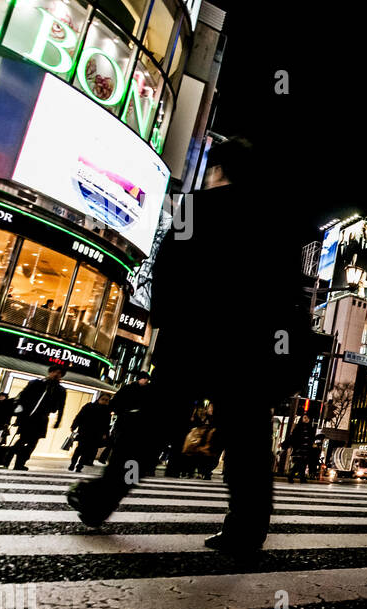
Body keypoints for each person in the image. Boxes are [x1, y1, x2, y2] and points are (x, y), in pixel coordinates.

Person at [68, 138, 314, 553]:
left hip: (192, 339)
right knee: (247, 437)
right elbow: (290, 291)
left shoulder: (199, 208)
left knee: (152, 427)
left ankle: (102, 498)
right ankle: (246, 527)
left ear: (217, 170)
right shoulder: (278, 221)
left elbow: (169, 270)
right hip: (250, 346)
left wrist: (165, 321)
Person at [11, 365, 67, 470]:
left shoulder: (60, 390)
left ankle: (20, 462)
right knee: (23, 440)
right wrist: (18, 411)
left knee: (33, 442)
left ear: (61, 376)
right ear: (50, 372)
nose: (56, 374)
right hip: (28, 416)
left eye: (59, 373)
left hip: (42, 418)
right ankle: (11, 455)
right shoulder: (36, 383)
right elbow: (22, 396)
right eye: (54, 372)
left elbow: (61, 406)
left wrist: (58, 420)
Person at [68, 392, 112, 472]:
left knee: (86, 451)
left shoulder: (107, 411)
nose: (104, 401)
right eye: (103, 399)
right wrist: (74, 425)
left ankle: (79, 466)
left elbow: (106, 424)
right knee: (80, 449)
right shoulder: (89, 406)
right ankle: (73, 464)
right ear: (99, 399)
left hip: (96, 434)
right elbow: (80, 416)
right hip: (85, 431)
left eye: (107, 400)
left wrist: (105, 434)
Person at [281, 416, 315, 482]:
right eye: (304, 418)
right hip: (299, 449)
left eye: (307, 418)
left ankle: (300, 477)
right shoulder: (298, 427)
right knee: (299, 463)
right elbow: (292, 437)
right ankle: (293, 476)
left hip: (307, 450)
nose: (306, 419)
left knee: (303, 464)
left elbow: (311, 439)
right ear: (301, 419)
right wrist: (284, 444)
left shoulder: (310, 428)